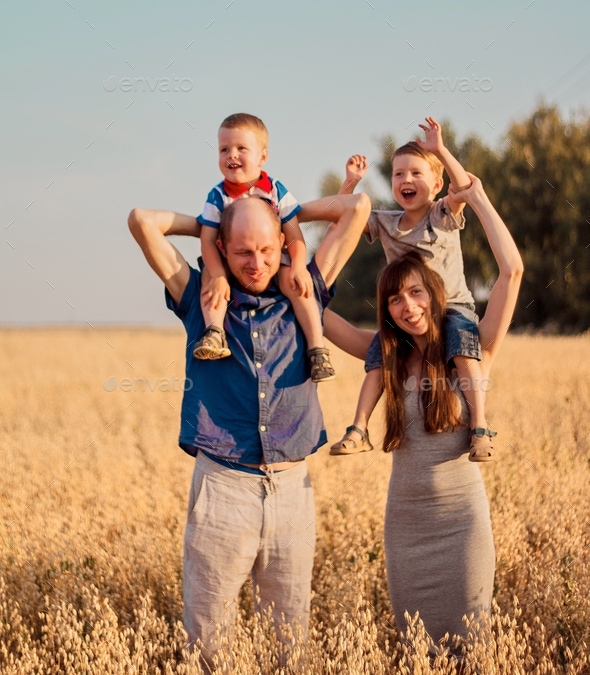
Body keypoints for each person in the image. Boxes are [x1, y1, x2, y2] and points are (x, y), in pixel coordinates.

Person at [127, 172, 370, 667]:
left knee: (288, 642)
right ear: (222, 248)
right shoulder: (202, 299)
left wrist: (288, 215)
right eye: (241, 252)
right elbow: (142, 221)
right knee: (208, 641)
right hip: (224, 486)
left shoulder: (304, 289)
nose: (256, 263)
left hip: (292, 490)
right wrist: (208, 236)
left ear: (281, 242)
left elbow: (357, 208)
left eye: (265, 249)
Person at [323, 174, 523, 659]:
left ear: (435, 294)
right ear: (387, 310)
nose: (407, 306)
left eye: (416, 293)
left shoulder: (472, 350)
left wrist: (477, 198)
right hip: (405, 527)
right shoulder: (384, 358)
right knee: (418, 654)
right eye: (395, 299)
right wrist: (344, 215)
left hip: (462, 525)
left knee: (470, 653)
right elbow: (315, 306)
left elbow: (511, 272)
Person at [331, 117, 494, 461]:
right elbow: (342, 218)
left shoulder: (441, 215)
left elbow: (463, 185)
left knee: (462, 347)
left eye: (416, 173)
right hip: (408, 314)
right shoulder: (386, 222)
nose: (406, 179)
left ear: (436, 184)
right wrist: (349, 184)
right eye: (398, 174)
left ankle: (479, 426)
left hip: (452, 307)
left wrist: (440, 150)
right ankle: (359, 428)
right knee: (380, 353)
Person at [194, 112, 343, 382]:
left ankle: (317, 349)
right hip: (228, 262)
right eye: (224, 149)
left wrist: (298, 265)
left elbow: (294, 234)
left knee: (298, 284)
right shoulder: (217, 196)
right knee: (209, 280)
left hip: (273, 259)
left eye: (241, 148)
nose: (232, 155)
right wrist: (217, 274)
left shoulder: (275, 190)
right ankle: (214, 333)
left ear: (262, 157)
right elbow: (207, 240)